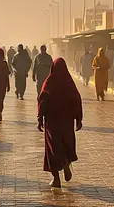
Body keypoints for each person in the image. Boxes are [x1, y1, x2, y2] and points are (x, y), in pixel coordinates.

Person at [37, 58, 83, 188]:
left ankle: (56, 178)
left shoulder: (49, 82)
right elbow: (76, 99)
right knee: (66, 143)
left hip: (52, 121)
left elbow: (42, 100)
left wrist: (40, 118)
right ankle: (66, 162)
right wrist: (78, 119)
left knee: (52, 147)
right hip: (67, 121)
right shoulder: (69, 82)